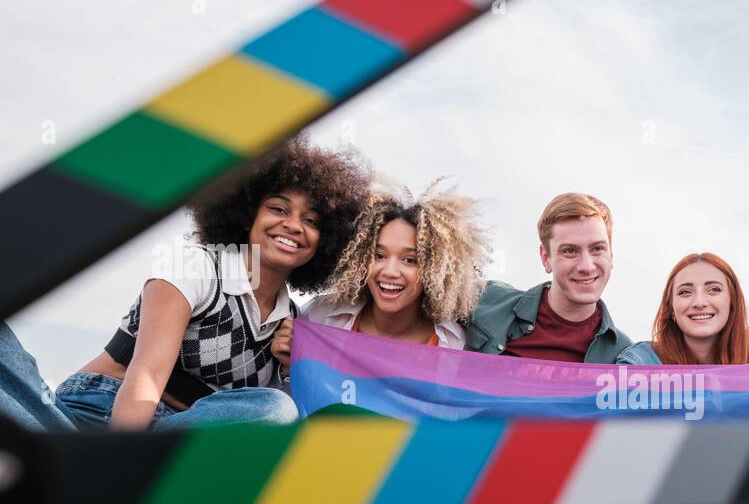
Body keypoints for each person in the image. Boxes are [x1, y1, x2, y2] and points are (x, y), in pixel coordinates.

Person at [0, 135, 369, 431]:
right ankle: (77, 462)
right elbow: (148, 372)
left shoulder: (292, 318)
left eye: (312, 220)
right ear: (246, 215)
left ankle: (68, 470)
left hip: (178, 437)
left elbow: (258, 419)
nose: (293, 225)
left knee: (275, 408)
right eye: (278, 208)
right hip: (101, 410)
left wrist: (289, 368)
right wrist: (115, 465)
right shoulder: (195, 266)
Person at [272, 182, 489, 368]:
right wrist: (291, 367)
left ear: (436, 271)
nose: (390, 271)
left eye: (410, 260)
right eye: (379, 255)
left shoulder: (455, 346)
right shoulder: (321, 317)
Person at [463, 192, 631, 363]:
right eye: (570, 251)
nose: (586, 267)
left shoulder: (625, 359)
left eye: (597, 248)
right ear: (545, 257)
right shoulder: (480, 301)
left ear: (611, 254)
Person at [617, 252, 749, 365]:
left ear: (732, 301)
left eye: (714, 289)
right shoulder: (640, 363)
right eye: (685, 292)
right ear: (670, 306)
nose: (699, 302)